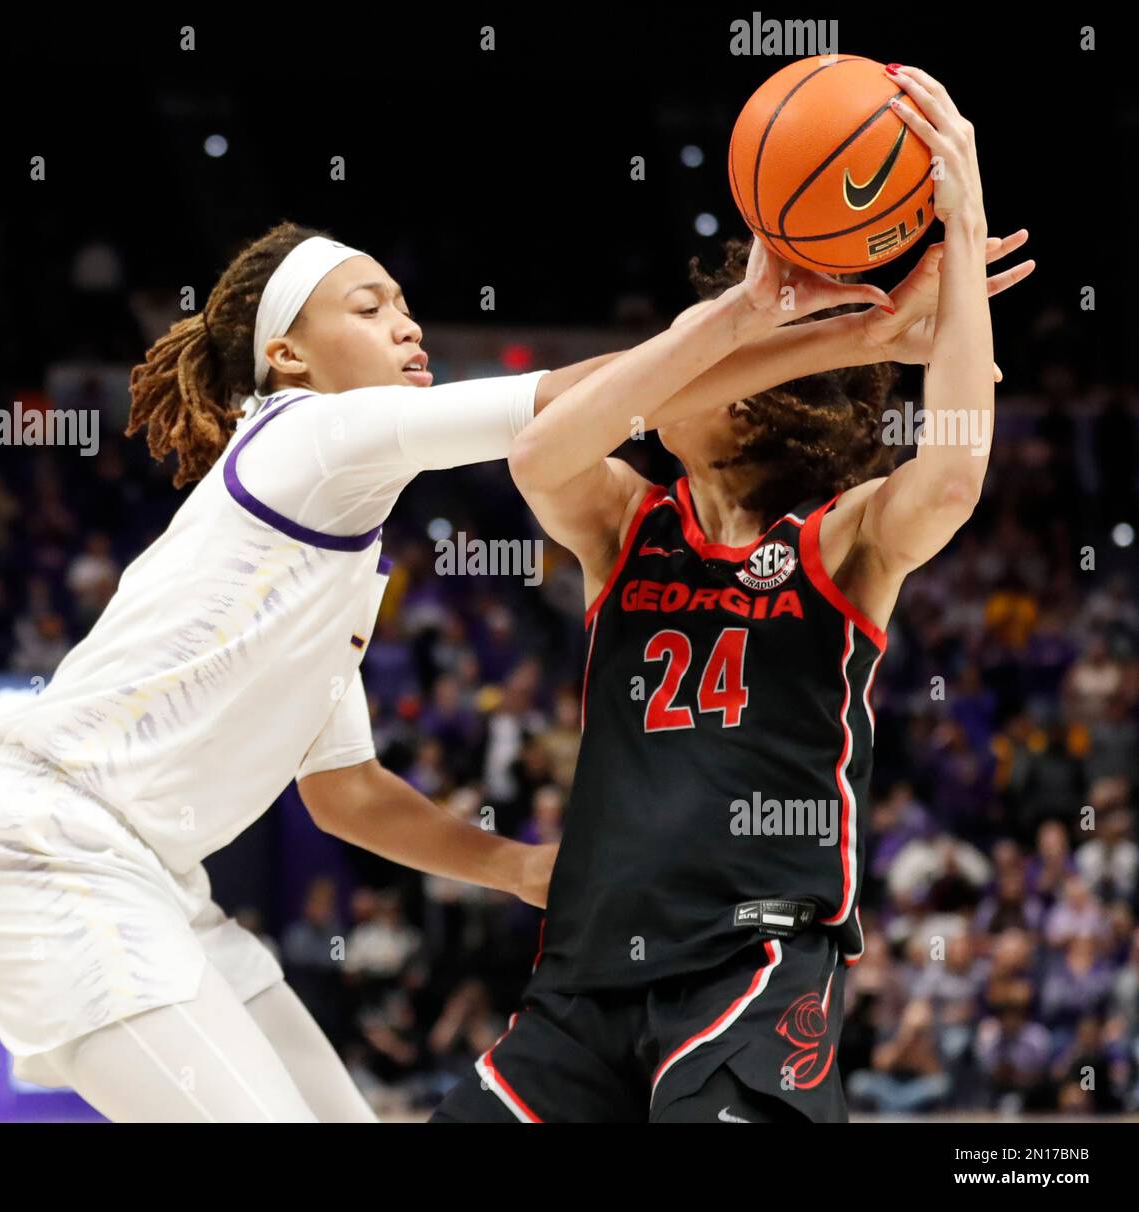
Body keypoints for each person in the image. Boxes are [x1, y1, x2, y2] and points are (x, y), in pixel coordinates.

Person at [0, 220, 887, 1123]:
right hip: (51, 854)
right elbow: (574, 400)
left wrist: (511, 866)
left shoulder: (329, 544)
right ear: (287, 357)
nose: (406, 322)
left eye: (402, 302)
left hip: (154, 884)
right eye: (367, 306)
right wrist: (800, 323)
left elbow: (346, 793)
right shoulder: (300, 436)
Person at [434, 65, 1034, 1123]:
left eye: (722, 359)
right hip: (580, 974)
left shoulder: (836, 540)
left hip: (752, 960)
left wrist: (958, 217)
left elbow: (946, 477)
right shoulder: (626, 522)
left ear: (766, 407)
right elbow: (538, 452)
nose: (676, 367)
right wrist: (746, 311)